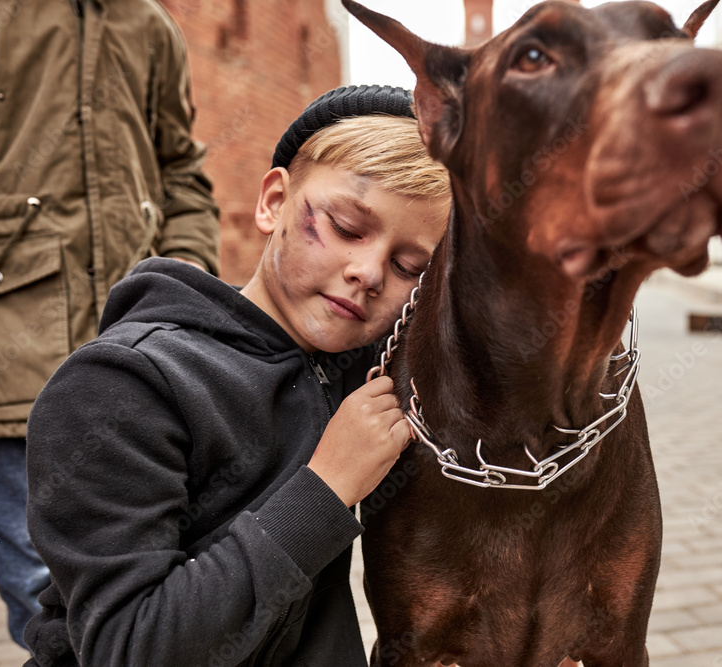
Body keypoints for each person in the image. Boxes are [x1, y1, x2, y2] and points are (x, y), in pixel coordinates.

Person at [23, 84, 451, 665]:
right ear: (274, 201)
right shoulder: (120, 385)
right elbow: (132, 646)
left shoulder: (368, 377)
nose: (369, 272)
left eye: (409, 267)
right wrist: (326, 488)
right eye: (348, 227)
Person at [0, 0, 219, 650]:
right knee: (38, 589)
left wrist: (182, 269)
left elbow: (181, 171)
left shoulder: (150, 26)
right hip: (3, 351)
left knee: (153, 576)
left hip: (142, 346)